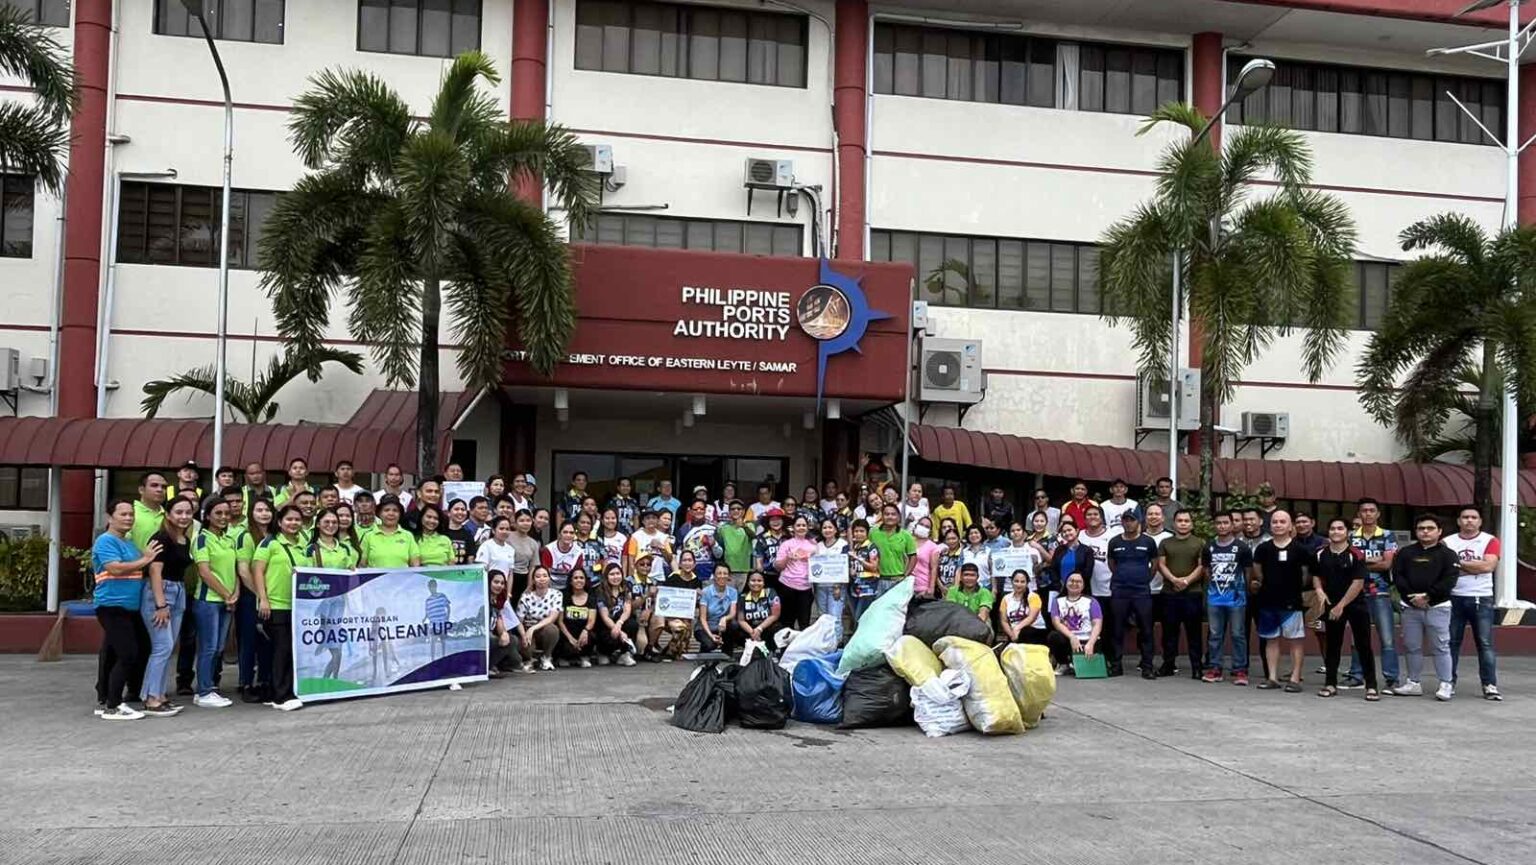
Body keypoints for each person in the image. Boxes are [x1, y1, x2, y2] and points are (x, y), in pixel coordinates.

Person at [93, 500, 160, 720]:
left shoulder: (129, 542)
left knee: (137, 649)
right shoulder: (105, 541)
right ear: (109, 517)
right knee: (128, 654)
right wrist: (145, 559)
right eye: (123, 514)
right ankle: (113, 706)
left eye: (131, 514)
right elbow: (114, 568)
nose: (129, 518)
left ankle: (109, 697)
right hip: (112, 606)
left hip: (131, 608)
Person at [1391, 514, 1460, 700]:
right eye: (1421, 528)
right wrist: (1412, 597)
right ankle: (1413, 683)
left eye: (1430, 528)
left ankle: (1446, 684)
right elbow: (1398, 577)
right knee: (1411, 646)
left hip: (1438, 607)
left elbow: (1450, 580)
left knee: (1441, 647)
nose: (1425, 532)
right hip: (1410, 607)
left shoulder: (1448, 555)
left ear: (1439, 531)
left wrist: (1428, 596)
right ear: (1416, 531)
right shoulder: (1405, 553)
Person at [138, 496, 196, 716]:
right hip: (160, 593)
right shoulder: (161, 537)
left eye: (188, 512)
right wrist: (161, 605)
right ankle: (151, 699)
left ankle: (159, 694)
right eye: (178, 512)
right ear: (168, 515)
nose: (184, 517)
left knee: (168, 647)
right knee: (162, 646)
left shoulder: (184, 539)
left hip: (179, 592)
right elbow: (154, 571)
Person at [1313, 517, 1379, 700]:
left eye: (1340, 528)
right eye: (1332, 528)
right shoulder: (1320, 553)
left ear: (1347, 532)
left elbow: (1358, 583)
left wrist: (1341, 605)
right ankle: (1330, 684)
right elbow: (1316, 575)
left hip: (1355, 604)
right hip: (1331, 603)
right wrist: (1319, 591)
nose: (1336, 532)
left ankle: (1371, 686)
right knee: (1333, 645)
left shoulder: (1356, 554)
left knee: (1363, 645)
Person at [1250, 510, 1315, 693]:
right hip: (1267, 601)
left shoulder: (1300, 550)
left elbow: (1306, 575)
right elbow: (1258, 571)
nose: (1278, 525)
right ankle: (1272, 678)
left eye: (1282, 522)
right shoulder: (1263, 549)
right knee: (1271, 640)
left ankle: (1295, 678)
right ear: (1270, 525)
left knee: (1295, 641)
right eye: (1275, 522)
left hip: (1292, 602)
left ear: (1290, 526)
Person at [1443, 506, 1501, 700]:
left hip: (1481, 597)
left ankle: (1489, 685)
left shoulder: (1490, 540)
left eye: (1474, 517)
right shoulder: (1447, 542)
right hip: (1454, 596)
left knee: (1485, 643)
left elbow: (1488, 566)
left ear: (1480, 521)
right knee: (1451, 642)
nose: (1469, 520)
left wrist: (1458, 565)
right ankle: (1448, 682)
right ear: (1458, 521)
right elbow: (1445, 569)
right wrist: (1475, 567)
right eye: (1465, 517)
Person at [252, 504, 306, 711]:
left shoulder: (303, 544)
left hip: (297, 606)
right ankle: (280, 696)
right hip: (275, 605)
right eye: (289, 519)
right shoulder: (269, 543)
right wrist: (263, 599)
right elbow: (257, 571)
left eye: (297, 519)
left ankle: (288, 689)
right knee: (280, 650)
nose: (293, 523)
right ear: (280, 522)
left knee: (291, 651)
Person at [188, 496, 240, 709]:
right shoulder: (201, 539)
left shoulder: (229, 540)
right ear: (207, 516)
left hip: (227, 601)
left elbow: (235, 570)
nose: (223, 517)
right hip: (208, 601)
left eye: (226, 513)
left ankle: (209, 687)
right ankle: (204, 691)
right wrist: (226, 594)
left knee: (218, 648)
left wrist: (234, 594)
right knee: (208, 647)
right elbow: (204, 572)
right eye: (218, 513)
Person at [1345, 497, 1399, 691]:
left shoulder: (1387, 535)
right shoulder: (1351, 536)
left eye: (1371, 510)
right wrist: (1373, 561)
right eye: (1364, 510)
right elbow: (1347, 564)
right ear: (1359, 514)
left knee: (1387, 638)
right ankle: (1356, 675)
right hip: (1356, 592)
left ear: (1378, 514)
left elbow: (1387, 564)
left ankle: (1391, 678)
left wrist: (1361, 564)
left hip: (1380, 591)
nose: (1367, 514)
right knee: (1356, 637)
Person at [1106, 510, 1159, 679]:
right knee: (1117, 629)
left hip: (1141, 591)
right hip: (1120, 591)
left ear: (1139, 522)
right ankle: (1116, 665)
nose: (1129, 523)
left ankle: (1147, 666)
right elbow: (1112, 564)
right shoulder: (1114, 542)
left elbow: (1155, 564)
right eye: (1126, 520)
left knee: (1146, 629)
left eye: (1132, 520)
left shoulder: (1148, 541)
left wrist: (1144, 578)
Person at [1202, 511, 1253, 686]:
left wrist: (1243, 591)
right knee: (1215, 635)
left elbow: (1248, 572)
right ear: (1214, 526)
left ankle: (1240, 670)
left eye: (1225, 523)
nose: (1222, 526)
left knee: (1238, 634)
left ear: (1232, 525)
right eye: (1218, 523)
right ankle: (1215, 668)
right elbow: (1206, 571)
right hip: (1215, 599)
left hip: (1236, 599)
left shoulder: (1242, 547)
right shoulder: (1208, 547)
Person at [1156, 509, 1205, 679]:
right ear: (1174, 523)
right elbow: (1161, 564)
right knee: (1169, 632)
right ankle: (1168, 665)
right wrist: (1174, 580)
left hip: (1193, 593)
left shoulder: (1200, 543)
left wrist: (1186, 581)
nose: (1183, 524)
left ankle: (1197, 667)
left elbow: (1202, 566)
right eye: (1180, 520)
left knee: (1194, 633)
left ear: (1191, 524)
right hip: (1169, 593)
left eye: (1186, 521)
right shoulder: (1165, 542)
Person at [234, 497, 274, 703]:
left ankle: (264, 681)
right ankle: (246, 683)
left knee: (267, 641)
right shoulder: (246, 536)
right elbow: (243, 570)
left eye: (267, 510)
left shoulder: (275, 536)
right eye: (259, 510)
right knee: (249, 641)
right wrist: (260, 595)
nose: (264, 514)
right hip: (251, 597)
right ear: (251, 513)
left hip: (271, 597)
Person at [1077, 505, 1116, 671]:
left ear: (1102, 517)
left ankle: (1110, 659)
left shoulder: (1112, 535)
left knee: (1108, 627)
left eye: (1096, 514)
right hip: (1085, 589)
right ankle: (1086, 659)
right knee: (1086, 625)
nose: (1092, 517)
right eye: (1089, 514)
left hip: (1108, 587)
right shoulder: (1079, 535)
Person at [647, 550, 704, 661]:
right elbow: (663, 596)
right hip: (668, 615)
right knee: (681, 627)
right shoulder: (673, 577)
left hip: (685, 616)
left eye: (690, 560)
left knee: (683, 642)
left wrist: (699, 595)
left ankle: (669, 651)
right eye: (684, 560)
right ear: (680, 563)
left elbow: (695, 603)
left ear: (694, 563)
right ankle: (652, 649)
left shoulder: (696, 581)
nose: (687, 563)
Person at [1049, 572, 1102, 674]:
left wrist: (1091, 643)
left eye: (1078, 582)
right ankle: (1064, 664)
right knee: (1054, 636)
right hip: (1068, 639)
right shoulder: (1057, 601)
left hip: (1087, 640)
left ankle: (1077, 663)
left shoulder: (1092, 601)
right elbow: (1056, 623)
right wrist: (1072, 637)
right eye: (1071, 581)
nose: (1074, 584)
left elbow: (1097, 624)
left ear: (1083, 585)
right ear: (1066, 583)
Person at [773, 514, 819, 631]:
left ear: (807, 527)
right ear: (793, 527)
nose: (801, 528)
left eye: (804, 525)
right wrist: (788, 557)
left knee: (804, 623)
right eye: (798, 525)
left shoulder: (814, 545)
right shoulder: (786, 544)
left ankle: (802, 643)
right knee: (787, 622)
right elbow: (778, 567)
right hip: (787, 585)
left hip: (806, 588)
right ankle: (786, 644)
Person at [517, 565, 563, 671]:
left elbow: (552, 617)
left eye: (545, 576)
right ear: (533, 580)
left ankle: (546, 657)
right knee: (526, 646)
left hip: (543, 627)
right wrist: (524, 634)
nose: (542, 579)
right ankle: (529, 660)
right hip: (527, 627)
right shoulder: (526, 597)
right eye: (538, 576)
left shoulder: (556, 594)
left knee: (552, 630)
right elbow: (519, 621)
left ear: (549, 578)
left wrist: (533, 628)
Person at [359, 495, 421, 569]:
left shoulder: (408, 536)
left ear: (400, 514)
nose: (391, 513)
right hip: (375, 577)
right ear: (379, 513)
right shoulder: (368, 536)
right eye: (386, 510)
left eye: (395, 510)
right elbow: (361, 565)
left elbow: (415, 564)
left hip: (402, 576)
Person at [595, 563, 639, 665]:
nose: (615, 577)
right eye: (612, 574)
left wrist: (619, 623)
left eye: (618, 574)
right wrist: (619, 632)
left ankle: (624, 653)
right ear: (606, 576)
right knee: (604, 662)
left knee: (632, 624)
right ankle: (603, 652)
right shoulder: (600, 591)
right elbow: (605, 616)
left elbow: (627, 610)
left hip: (620, 621)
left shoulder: (626, 587)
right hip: (606, 625)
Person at [812, 517, 846, 642]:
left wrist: (838, 586)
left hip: (836, 587)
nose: (827, 530)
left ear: (835, 529)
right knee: (823, 617)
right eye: (824, 528)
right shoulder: (818, 545)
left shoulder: (843, 544)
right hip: (820, 586)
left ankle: (837, 643)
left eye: (830, 527)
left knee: (835, 617)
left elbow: (844, 566)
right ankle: (825, 643)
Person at [555, 568, 597, 668]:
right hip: (567, 633)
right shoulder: (563, 595)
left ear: (585, 580)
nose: (579, 580)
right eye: (576, 578)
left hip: (582, 632)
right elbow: (560, 621)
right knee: (566, 649)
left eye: (582, 578)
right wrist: (570, 638)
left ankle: (583, 657)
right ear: (571, 581)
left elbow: (591, 621)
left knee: (591, 635)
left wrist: (585, 631)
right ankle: (565, 657)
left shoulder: (591, 596)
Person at [486, 570, 523, 677]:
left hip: (492, 634)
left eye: (502, 583)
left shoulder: (499, 600)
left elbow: (499, 619)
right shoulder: (481, 598)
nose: (499, 585)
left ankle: (492, 665)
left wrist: (503, 633)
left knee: (512, 640)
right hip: (482, 636)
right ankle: (486, 667)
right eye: (496, 582)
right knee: (492, 639)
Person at [696, 564, 739, 652]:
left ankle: (727, 652)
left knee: (734, 625)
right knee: (710, 644)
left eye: (725, 573)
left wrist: (724, 618)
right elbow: (702, 618)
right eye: (719, 573)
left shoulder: (733, 592)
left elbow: (732, 613)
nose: (722, 576)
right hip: (705, 627)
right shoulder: (706, 592)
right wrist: (711, 635)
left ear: (729, 576)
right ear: (714, 576)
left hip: (722, 626)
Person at [734, 570, 782, 649]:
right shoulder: (742, 597)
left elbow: (775, 615)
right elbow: (741, 620)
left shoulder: (770, 592)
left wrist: (759, 629)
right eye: (753, 580)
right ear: (748, 583)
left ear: (764, 583)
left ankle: (772, 652)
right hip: (749, 630)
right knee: (735, 629)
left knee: (777, 628)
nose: (756, 583)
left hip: (766, 628)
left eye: (759, 581)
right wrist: (752, 632)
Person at [998, 571, 1047, 647]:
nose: (1019, 584)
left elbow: (1031, 617)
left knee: (1025, 632)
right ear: (1012, 582)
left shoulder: (1033, 597)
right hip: (1015, 633)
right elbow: (1004, 621)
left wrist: (1017, 628)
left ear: (1027, 583)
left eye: (1022, 582)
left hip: (1035, 631)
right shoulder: (1006, 598)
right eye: (1016, 581)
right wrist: (1011, 635)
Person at [627, 508, 673, 587]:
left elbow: (669, 559)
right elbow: (631, 561)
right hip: (640, 578)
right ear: (643, 521)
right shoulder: (635, 536)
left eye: (653, 518)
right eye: (648, 518)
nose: (651, 520)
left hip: (658, 578)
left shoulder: (663, 537)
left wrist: (661, 547)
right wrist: (633, 579)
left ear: (657, 520)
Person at [676, 499, 718, 581]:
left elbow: (719, 554)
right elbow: (679, 550)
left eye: (701, 509)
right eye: (695, 509)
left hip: (708, 571)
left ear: (705, 510)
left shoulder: (713, 528)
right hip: (689, 572)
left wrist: (714, 544)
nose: (699, 511)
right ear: (691, 511)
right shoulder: (684, 529)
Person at [716, 500, 756, 582]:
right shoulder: (723, 528)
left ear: (743, 511)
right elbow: (719, 545)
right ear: (729, 512)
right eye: (733, 509)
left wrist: (744, 526)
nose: (736, 511)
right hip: (728, 569)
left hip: (745, 568)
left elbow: (753, 536)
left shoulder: (749, 525)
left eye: (739, 509)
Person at [131, 470, 168, 553]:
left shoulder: (170, 516)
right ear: (141, 490)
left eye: (164, 487)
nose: (160, 489)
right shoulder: (129, 513)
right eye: (154, 485)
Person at [542, 521, 584, 591]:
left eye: (571, 533)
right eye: (565, 532)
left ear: (575, 535)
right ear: (560, 533)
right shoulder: (549, 549)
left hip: (569, 587)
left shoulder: (578, 551)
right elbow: (545, 573)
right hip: (550, 587)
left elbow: (577, 574)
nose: (568, 535)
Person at [752, 507, 786, 589]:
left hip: (787, 576)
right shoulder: (762, 538)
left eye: (778, 519)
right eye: (772, 520)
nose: (776, 522)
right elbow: (759, 562)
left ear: (783, 521)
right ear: (768, 522)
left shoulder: (789, 536)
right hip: (768, 576)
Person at [911, 515, 941, 599]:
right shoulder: (908, 542)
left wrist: (931, 588)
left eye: (927, 526)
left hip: (922, 587)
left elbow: (934, 569)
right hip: (907, 585)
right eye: (921, 524)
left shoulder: (933, 547)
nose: (923, 527)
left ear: (930, 531)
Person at [444, 499, 478, 564]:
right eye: (456, 509)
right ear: (448, 513)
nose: (460, 512)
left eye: (463, 510)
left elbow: (470, 558)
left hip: (462, 570)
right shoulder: (442, 532)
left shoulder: (468, 534)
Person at [934, 527, 964, 598]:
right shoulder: (942, 553)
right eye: (948, 539)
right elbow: (935, 571)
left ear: (959, 539)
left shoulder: (963, 553)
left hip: (958, 591)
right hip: (941, 590)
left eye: (953, 538)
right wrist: (941, 587)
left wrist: (954, 590)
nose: (951, 541)